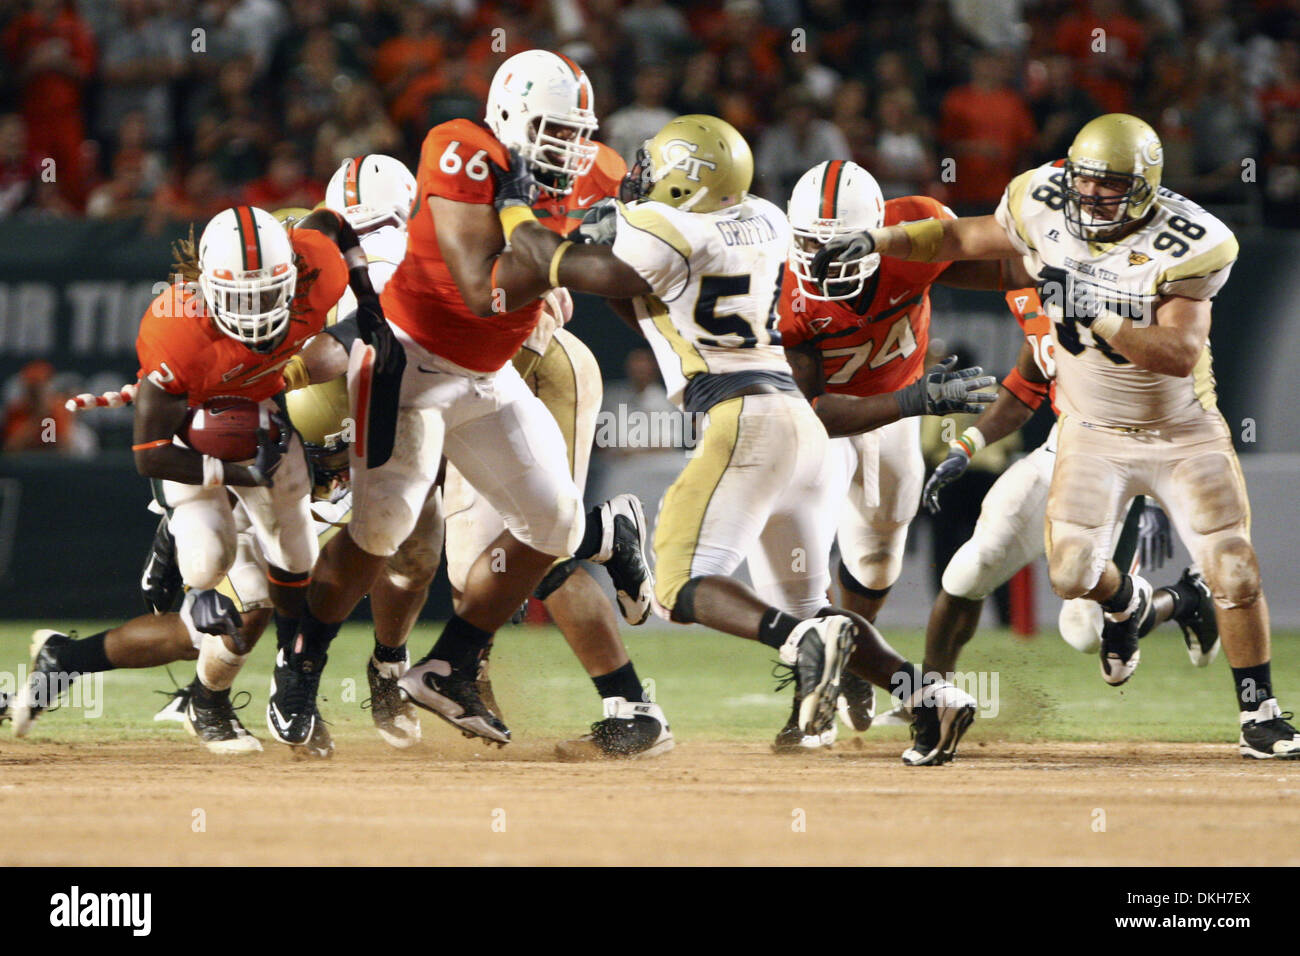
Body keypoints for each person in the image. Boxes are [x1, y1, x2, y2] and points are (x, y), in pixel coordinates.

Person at [501, 116, 994, 766]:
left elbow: (572, 266)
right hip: (801, 427)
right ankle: (926, 696)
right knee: (815, 604)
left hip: (744, 423)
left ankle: (798, 647)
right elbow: (648, 297)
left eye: (657, 168)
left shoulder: (666, 228)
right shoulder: (764, 217)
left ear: (685, 181)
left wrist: (516, 214)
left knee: (679, 585)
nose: (644, 176)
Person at [811, 113, 1300, 759]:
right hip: (1090, 431)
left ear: (1146, 188)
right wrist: (879, 241)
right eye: (1086, 183)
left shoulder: (1192, 241)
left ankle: (1259, 713)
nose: (1093, 198)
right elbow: (960, 235)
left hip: (1180, 430)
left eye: (1111, 187)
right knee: (1071, 575)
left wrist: (1095, 309)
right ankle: (1131, 604)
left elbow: (1179, 352)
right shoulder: (1040, 201)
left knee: (1233, 566)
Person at [273, 50, 656, 756]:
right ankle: (298, 668)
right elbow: (485, 290)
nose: (569, 149)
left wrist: (655, 301)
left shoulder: (594, 171)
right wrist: (562, 251)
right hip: (409, 363)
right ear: (508, 118)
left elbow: (632, 278)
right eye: (553, 130)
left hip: (488, 371)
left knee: (553, 517)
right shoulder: (460, 150)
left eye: (577, 133)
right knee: (382, 531)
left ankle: (451, 663)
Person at [918, 286, 1219, 681]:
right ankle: (928, 700)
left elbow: (1183, 380)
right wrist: (967, 444)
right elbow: (1025, 384)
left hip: (1127, 462)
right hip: (1063, 448)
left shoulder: (1139, 291)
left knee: (1085, 631)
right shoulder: (1043, 281)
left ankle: (1186, 599)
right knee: (967, 570)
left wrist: (1156, 490)